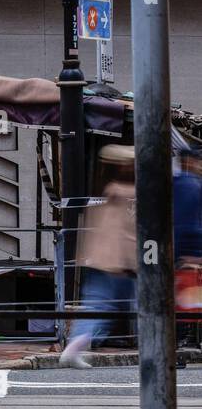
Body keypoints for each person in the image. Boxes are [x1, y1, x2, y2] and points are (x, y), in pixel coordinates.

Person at [61, 145, 138, 369]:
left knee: (97, 304)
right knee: (125, 305)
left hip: (97, 258)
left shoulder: (107, 190)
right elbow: (127, 233)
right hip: (118, 262)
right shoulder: (128, 194)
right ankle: (158, 349)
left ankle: (75, 346)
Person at [174, 149, 202, 348]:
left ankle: (183, 342)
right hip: (190, 251)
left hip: (183, 250)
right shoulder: (190, 184)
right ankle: (183, 342)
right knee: (187, 297)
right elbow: (188, 223)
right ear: (190, 162)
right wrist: (192, 253)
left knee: (186, 297)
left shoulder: (179, 183)